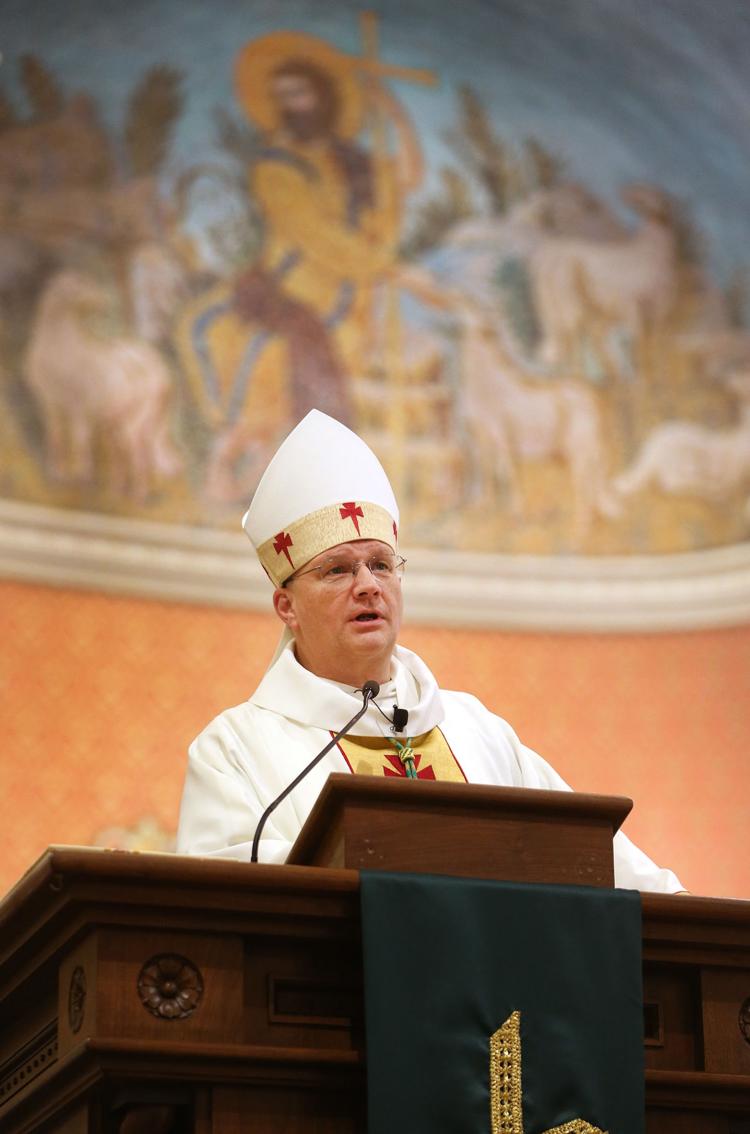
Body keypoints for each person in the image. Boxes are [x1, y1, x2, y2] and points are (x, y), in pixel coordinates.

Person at [176, 410, 684, 893]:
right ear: (286, 606)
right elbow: (218, 909)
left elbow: (598, 860)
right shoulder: (234, 749)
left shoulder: (476, 730)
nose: (368, 585)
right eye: (337, 570)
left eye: (381, 564)